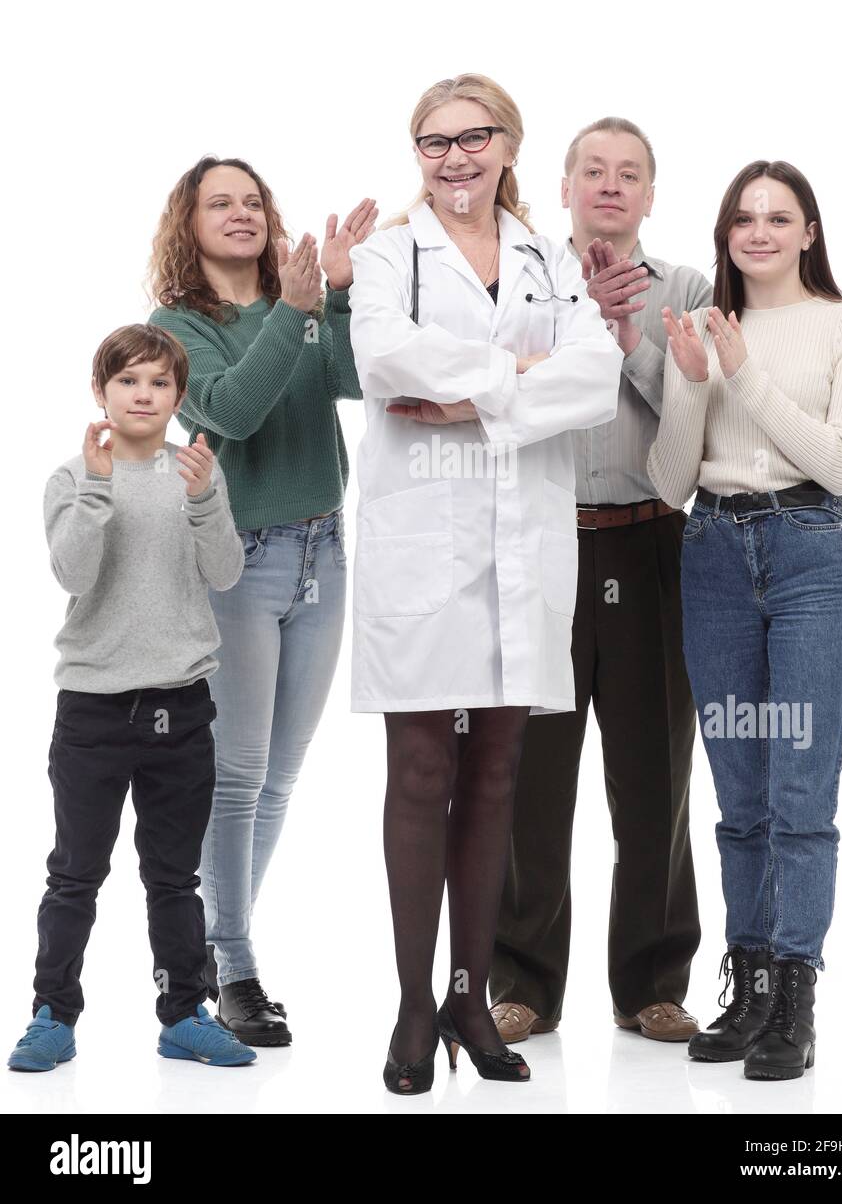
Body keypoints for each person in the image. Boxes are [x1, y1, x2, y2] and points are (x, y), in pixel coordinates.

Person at [346, 73, 622, 1093]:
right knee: (421, 772)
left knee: (498, 774)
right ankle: (416, 1005)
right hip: (424, 543)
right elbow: (381, 357)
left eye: (473, 138)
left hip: (525, 545)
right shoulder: (388, 254)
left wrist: (470, 402)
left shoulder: (553, 258)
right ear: (416, 153)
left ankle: (474, 993)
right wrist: (521, 377)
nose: (454, 158)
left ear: (509, 143)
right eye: (433, 142)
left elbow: (595, 376)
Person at [648, 160, 842, 1080]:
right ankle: (744, 986)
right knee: (738, 797)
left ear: (807, 232)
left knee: (799, 797)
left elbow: (838, 461)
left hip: (808, 558)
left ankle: (794, 993)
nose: (758, 232)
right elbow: (670, 481)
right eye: (743, 217)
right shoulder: (704, 327)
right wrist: (693, 380)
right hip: (711, 558)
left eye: (778, 217)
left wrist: (741, 379)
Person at [490, 117, 711, 1045]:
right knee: (530, 776)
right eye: (593, 171)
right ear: (567, 184)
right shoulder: (520, 276)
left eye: (629, 174)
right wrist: (574, 328)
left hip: (649, 541)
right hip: (542, 540)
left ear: (650, 196)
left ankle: (651, 984)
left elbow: (696, 424)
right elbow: (498, 398)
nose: (610, 186)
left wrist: (626, 335)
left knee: (653, 773)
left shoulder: (690, 290)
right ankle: (524, 986)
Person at [148, 156, 375, 1046]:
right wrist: (295, 307)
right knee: (236, 775)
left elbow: (354, 384)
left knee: (281, 771)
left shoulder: (304, 305)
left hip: (325, 548)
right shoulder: (174, 327)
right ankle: (234, 966)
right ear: (189, 223)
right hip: (238, 561)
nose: (241, 214)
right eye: (220, 203)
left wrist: (341, 297)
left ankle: (209, 949)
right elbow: (234, 414)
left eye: (253, 201)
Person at [8, 325, 254, 1071]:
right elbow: (74, 575)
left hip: (181, 707)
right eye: (127, 381)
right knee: (75, 871)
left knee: (174, 876)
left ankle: (185, 1011)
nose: (142, 394)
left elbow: (226, 574)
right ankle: (52, 1012)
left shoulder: (196, 473)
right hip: (93, 708)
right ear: (101, 392)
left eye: (157, 383)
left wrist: (205, 499)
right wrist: (96, 486)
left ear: (178, 396)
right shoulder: (72, 476)